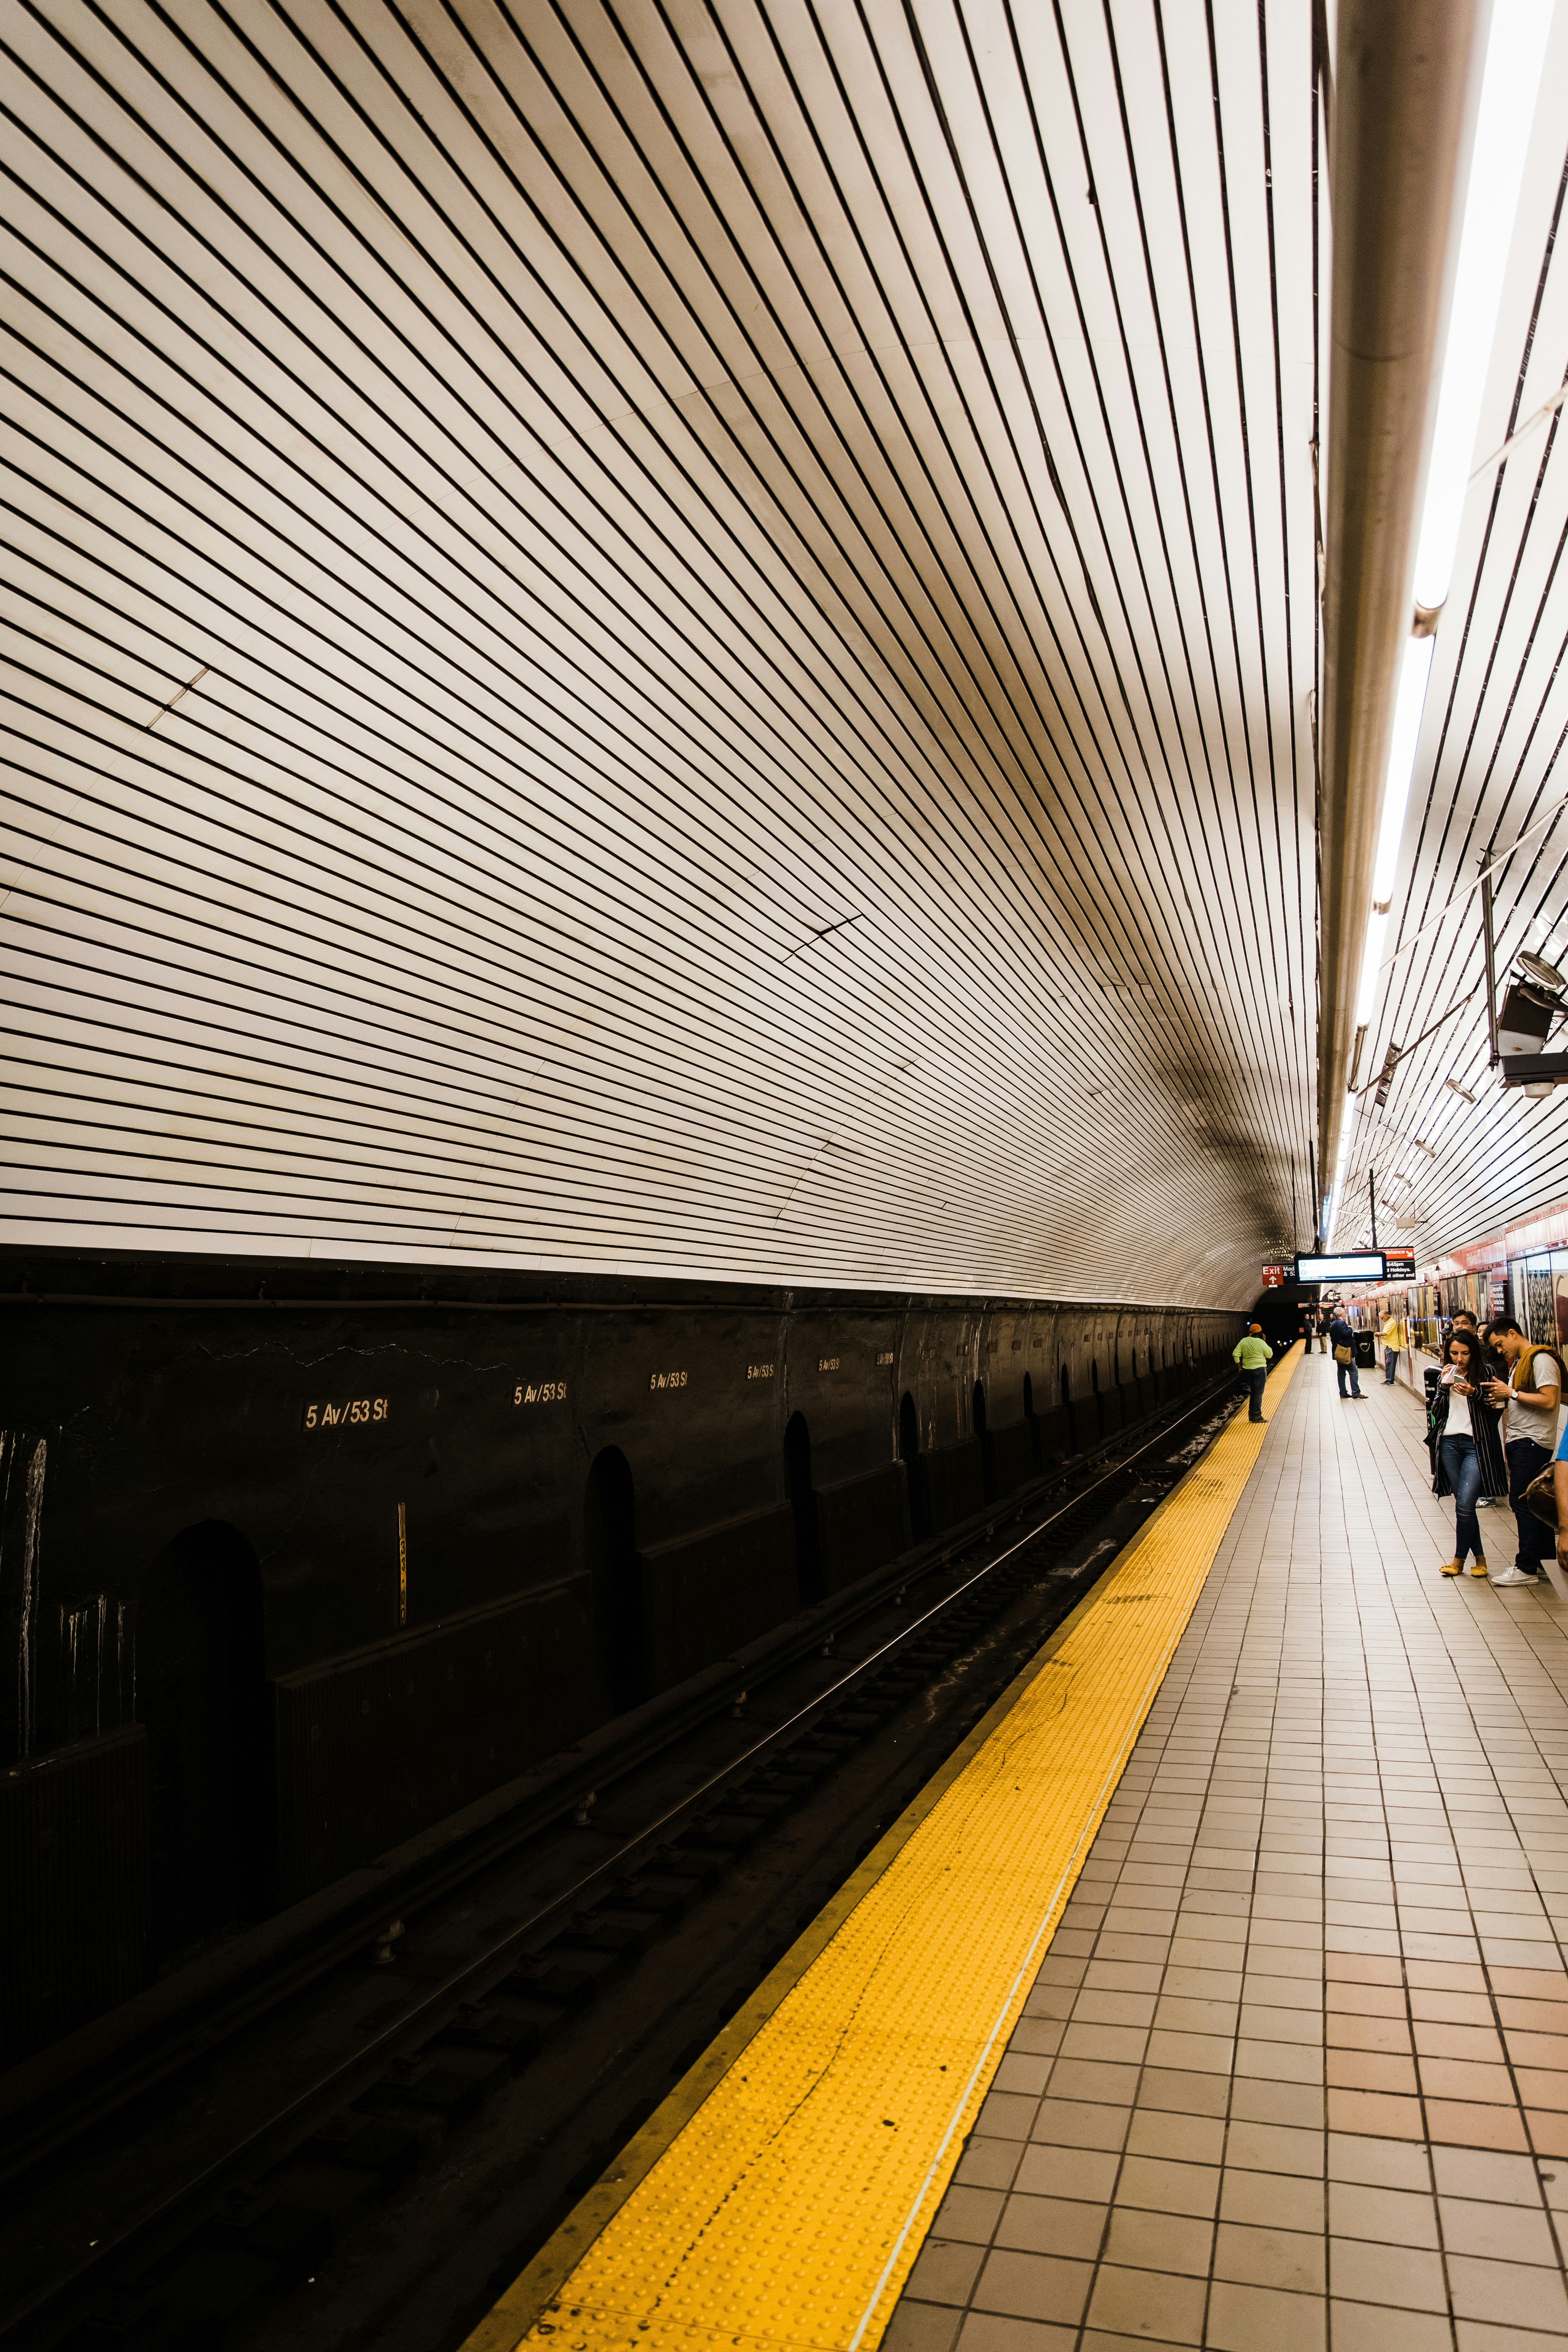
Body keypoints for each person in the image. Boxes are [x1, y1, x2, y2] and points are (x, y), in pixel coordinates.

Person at [1482, 1318, 1563, 1588]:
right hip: (1521, 1440)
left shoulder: (1540, 1360)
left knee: (1521, 1502)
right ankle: (1542, 1560)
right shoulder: (1520, 1362)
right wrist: (1505, 1397)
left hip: (1532, 1440)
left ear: (1513, 1334)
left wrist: (1512, 1394)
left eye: (1500, 1344)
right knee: (1534, 1502)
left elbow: (1550, 1401)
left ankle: (1525, 1566)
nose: (1499, 1351)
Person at [1428, 1329, 1502, 1576]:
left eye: (1465, 1353)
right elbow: (1436, 1412)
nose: (1459, 1359)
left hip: (1476, 1445)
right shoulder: (1445, 1375)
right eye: (1454, 1353)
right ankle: (1480, 1559)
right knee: (1464, 1505)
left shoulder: (1486, 1373)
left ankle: (1458, 1560)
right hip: (1449, 1444)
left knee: (1465, 1506)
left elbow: (1496, 1412)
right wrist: (1444, 1388)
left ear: (1474, 1352)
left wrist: (1474, 1393)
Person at [1232, 1322, 1273, 1422]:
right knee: (1258, 1394)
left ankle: (1252, 1416)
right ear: (1260, 1333)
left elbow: (1235, 1354)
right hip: (1260, 1370)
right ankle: (1257, 1416)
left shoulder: (1244, 1341)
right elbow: (1270, 1355)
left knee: (1253, 1393)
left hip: (1248, 1370)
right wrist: (1265, 1342)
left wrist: (1240, 1367)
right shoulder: (1261, 1342)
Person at [1327, 1307, 1363, 1398]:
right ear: (1342, 1314)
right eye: (1344, 1312)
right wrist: (1350, 1329)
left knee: (1341, 1373)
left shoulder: (1333, 1324)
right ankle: (1356, 1392)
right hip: (1346, 1352)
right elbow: (1345, 1334)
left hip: (1338, 1352)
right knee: (1354, 1371)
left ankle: (1343, 1393)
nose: (1345, 1314)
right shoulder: (1342, 1323)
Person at [1379, 1304, 1403, 1384]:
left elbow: (1385, 1333)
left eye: (1382, 1318)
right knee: (1389, 1363)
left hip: (1392, 1347)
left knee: (1391, 1363)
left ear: (1386, 1316)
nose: (1382, 1320)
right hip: (1389, 1346)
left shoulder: (1391, 1323)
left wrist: (1377, 1334)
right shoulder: (1388, 1322)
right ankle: (1389, 1379)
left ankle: (1390, 1380)